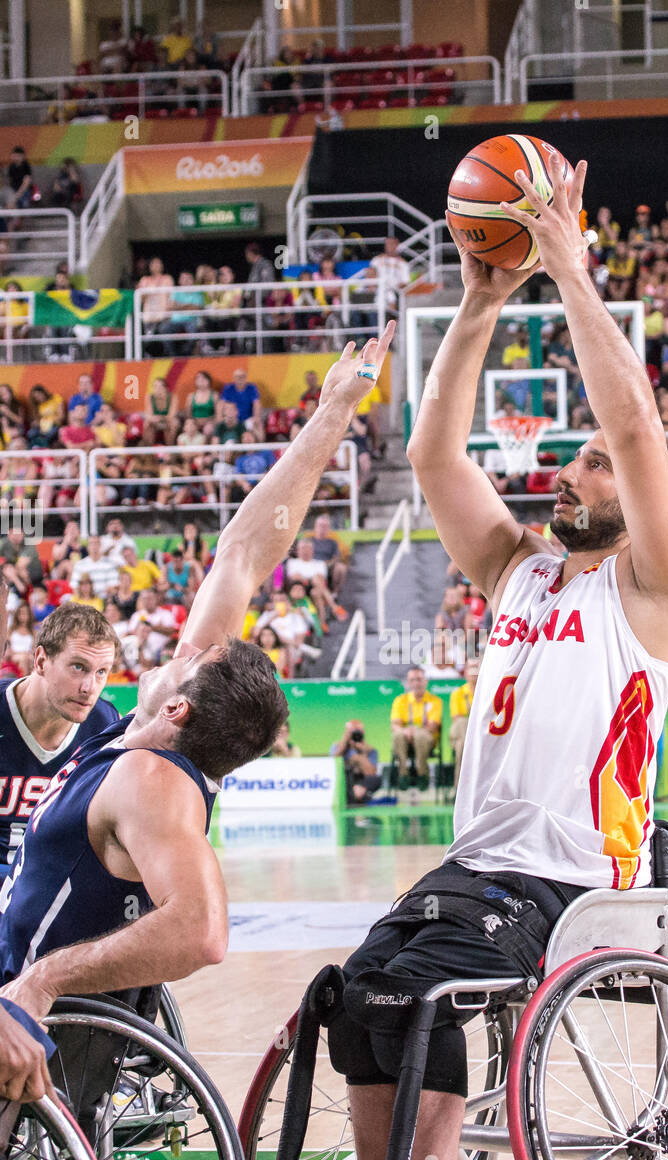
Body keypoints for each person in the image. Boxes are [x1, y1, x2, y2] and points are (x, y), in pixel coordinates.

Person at [319, 157, 668, 1160]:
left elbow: (635, 428)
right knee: (357, 996)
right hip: (474, 865)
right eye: (573, 457)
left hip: (577, 874)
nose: (574, 468)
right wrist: (482, 300)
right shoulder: (518, 571)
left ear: (633, 499)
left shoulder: (657, 588)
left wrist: (572, 273)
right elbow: (432, 453)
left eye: (589, 464)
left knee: (420, 986)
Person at [0, 324, 395, 1024]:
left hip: (22, 1004)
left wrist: (42, 983)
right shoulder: (151, 741)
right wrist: (335, 409)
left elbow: (202, 932)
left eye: (191, 659)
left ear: (180, 707)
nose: (181, 650)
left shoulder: (154, 782)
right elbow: (244, 552)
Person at [0, 604, 118, 878]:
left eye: (102, 672)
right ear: (40, 661)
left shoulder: (105, 726)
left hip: (51, 887)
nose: (89, 687)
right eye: (78, 667)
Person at [389, 666, 442, 792]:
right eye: (412, 680)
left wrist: (414, 731)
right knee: (397, 735)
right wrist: (404, 731)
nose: (416, 683)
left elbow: (432, 726)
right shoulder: (400, 700)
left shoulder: (435, 701)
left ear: (425, 681)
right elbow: (395, 725)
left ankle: (422, 773)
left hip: (426, 739)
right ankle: (403, 774)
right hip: (405, 738)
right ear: (407, 682)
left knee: (420, 736)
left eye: (419, 679)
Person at [330, 720, 382, 805]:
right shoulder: (337, 746)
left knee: (376, 779)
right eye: (352, 732)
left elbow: (371, 773)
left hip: (361, 781)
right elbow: (332, 766)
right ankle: (356, 795)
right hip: (344, 779)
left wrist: (361, 754)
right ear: (346, 733)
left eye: (358, 731)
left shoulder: (370, 750)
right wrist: (344, 748)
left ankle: (356, 793)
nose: (355, 735)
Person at [448, 656, 480, 786]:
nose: (474, 672)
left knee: (462, 746)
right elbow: (457, 718)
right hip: (463, 733)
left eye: (476, 668)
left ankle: (462, 788)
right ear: (465, 672)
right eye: (470, 668)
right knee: (462, 725)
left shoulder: (489, 691)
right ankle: (462, 787)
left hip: (481, 734)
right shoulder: (458, 693)